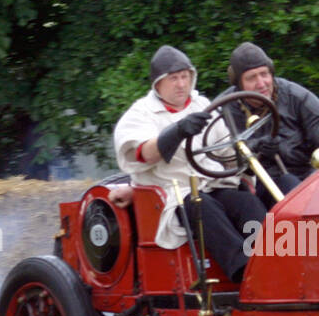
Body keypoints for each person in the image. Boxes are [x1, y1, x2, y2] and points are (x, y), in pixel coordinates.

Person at [112, 45, 267, 284]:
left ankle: (274, 261)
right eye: (173, 78)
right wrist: (177, 131)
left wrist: (252, 151)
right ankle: (246, 273)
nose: (181, 84)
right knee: (202, 205)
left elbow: (225, 151)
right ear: (158, 84)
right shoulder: (140, 114)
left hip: (211, 183)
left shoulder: (201, 105)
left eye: (185, 76)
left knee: (245, 201)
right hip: (171, 195)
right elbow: (143, 154)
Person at [214, 42, 319, 203]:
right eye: (251, 78)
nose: (261, 83)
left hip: (304, 179)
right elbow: (215, 158)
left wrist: (317, 176)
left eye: (264, 74)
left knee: (290, 183)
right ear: (238, 84)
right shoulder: (223, 110)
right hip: (251, 186)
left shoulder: (297, 97)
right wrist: (254, 148)